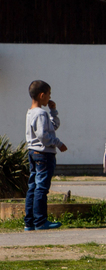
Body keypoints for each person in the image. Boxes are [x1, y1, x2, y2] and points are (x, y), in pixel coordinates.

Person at [25, 80, 66, 231]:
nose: (50, 97)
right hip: (44, 154)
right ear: (42, 95)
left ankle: (29, 222)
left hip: (32, 152)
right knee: (41, 188)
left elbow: (52, 127)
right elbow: (44, 136)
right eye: (49, 94)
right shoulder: (41, 113)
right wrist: (58, 143)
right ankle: (40, 221)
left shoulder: (31, 112)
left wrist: (53, 111)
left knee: (33, 187)